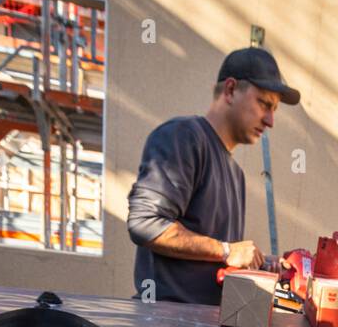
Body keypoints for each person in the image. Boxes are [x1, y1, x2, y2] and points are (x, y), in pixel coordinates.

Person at [126, 47, 300, 304]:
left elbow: (216, 260)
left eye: (274, 109)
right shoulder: (183, 137)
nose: (270, 120)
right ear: (230, 90)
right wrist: (227, 250)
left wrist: (260, 261)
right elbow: (145, 223)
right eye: (264, 103)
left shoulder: (235, 174)